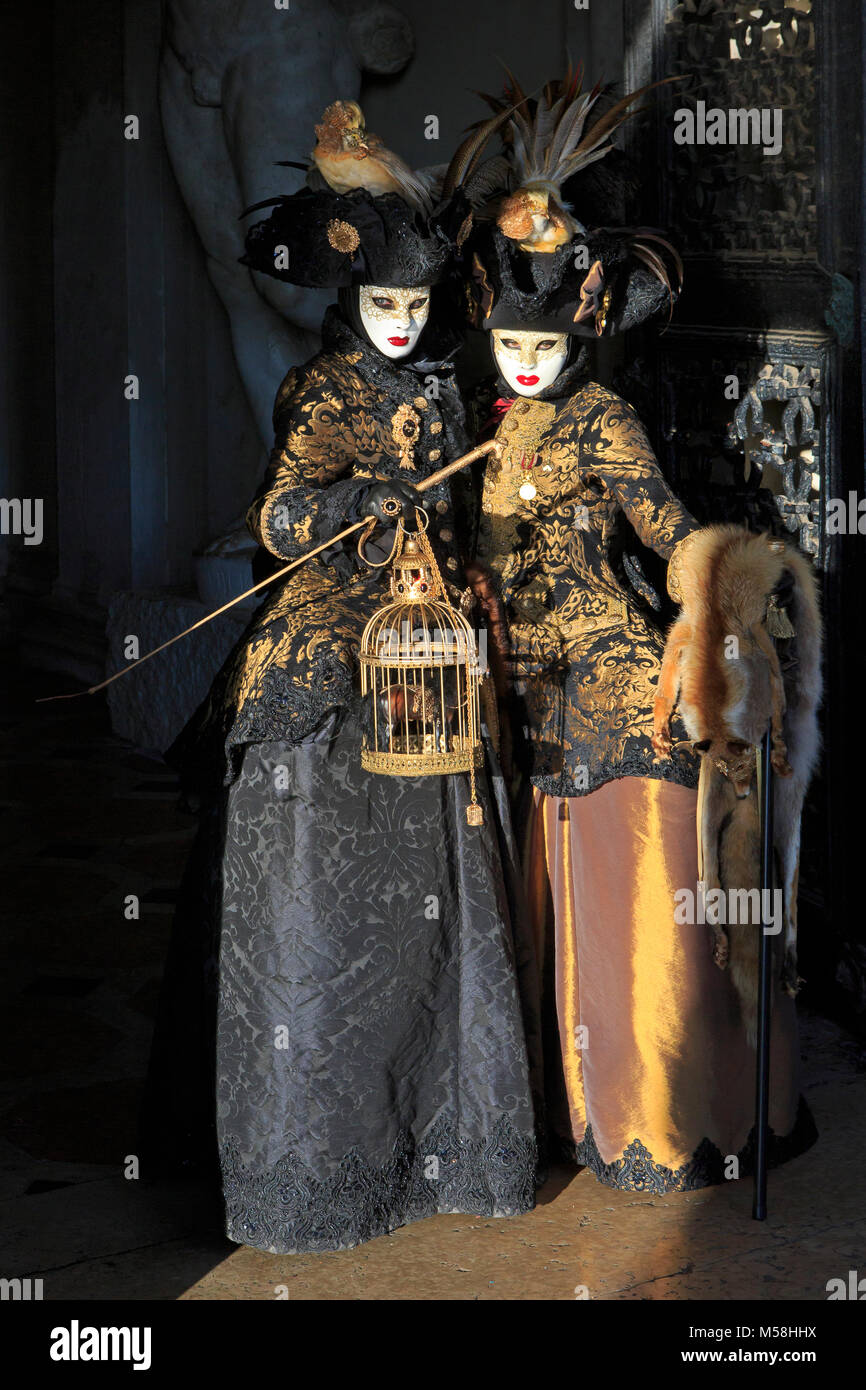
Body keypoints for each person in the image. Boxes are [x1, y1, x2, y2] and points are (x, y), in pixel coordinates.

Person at [144, 126, 542, 1254]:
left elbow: (467, 530)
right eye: (386, 310)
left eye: (417, 314)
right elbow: (273, 518)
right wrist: (346, 506)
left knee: (444, 908)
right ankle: (306, 1166)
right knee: (316, 906)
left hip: (432, 660)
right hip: (329, 654)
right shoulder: (317, 392)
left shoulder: (452, 397)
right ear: (352, 300)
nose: (404, 328)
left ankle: (453, 1145)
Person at [460, 72, 817, 1192]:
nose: (524, 364)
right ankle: (567, 1104)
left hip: (597, 669)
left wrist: (708, 583)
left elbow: (659, 524)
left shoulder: (603, 417)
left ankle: (674, 1112)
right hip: (510, 676)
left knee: (644, 830)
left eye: (541, 345)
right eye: (506, 345)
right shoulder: (481, 425)